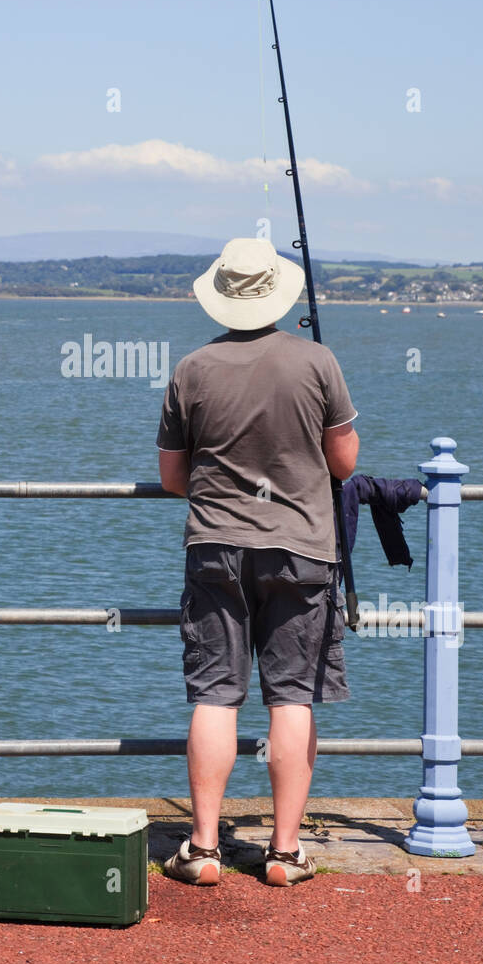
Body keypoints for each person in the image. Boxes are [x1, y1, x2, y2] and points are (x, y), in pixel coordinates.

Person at [156, 237, 359, 888]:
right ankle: (283, 851)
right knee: (292, 697)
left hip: (215, 544)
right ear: (278, 295)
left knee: (216, 695)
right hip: (300, 548)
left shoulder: (192, 368)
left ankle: (205, 846)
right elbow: (345, 463)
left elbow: (171, 478)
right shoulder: (317, 361)